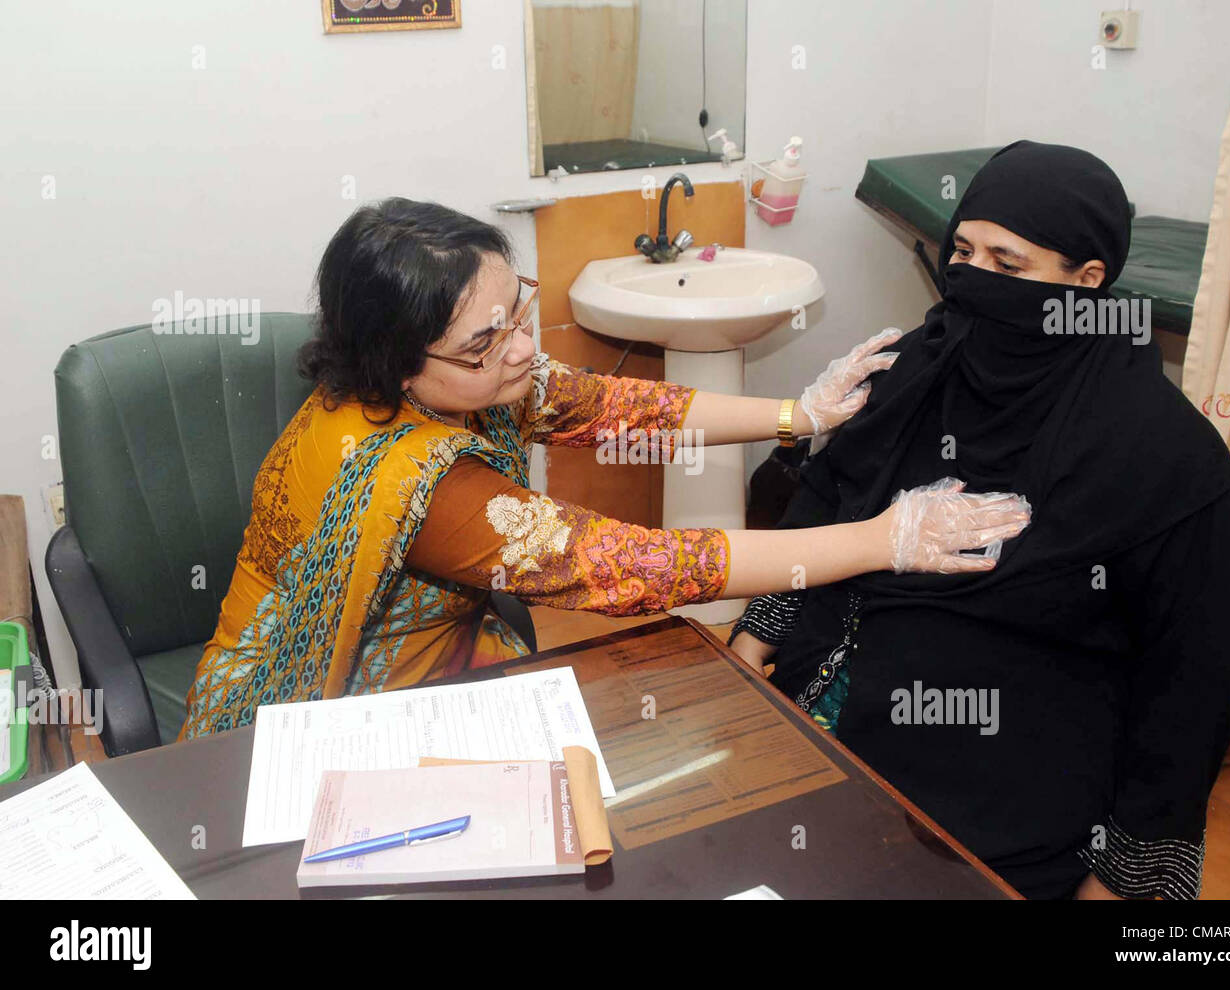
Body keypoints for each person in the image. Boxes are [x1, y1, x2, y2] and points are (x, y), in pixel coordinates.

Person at [179, 197, 1029, 739]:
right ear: (399, 366)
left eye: (518, 309)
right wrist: (885, 538)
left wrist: (796, 414)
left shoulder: (472, 376)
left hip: (438, 658)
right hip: (319, 713)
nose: (524, 349)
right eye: (487, 341)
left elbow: (616, 407)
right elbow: (642, 562)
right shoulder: (416, 483)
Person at [729, 141, 1230, 900]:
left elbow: (1189, 694)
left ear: (1088, 281)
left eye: (1010, 267)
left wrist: (1129, 880)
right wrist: (756, 634)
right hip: (826, 707)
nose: (974, 281)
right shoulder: (923, 363)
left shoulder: (1165, 461)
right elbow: (827, 496)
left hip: (1003, 790)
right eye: (964, 252)